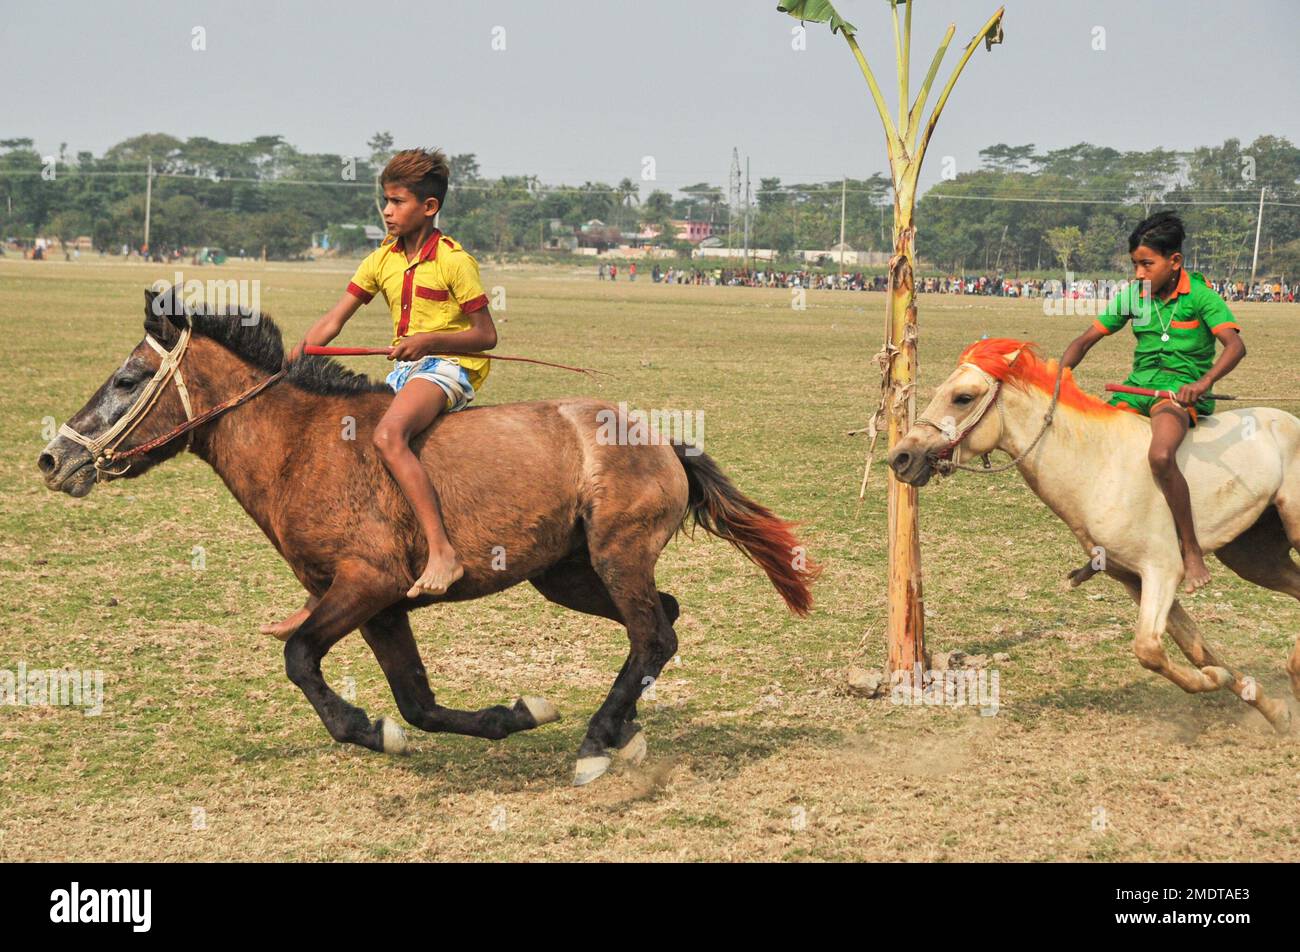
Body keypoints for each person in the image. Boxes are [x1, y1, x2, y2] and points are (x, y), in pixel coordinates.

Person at [263, 148, 497, 638]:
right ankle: (325, 594)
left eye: (396, 202)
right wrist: (291, 361)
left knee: (389, 436)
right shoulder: (380, 260)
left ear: (428, 207)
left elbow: (485, 335)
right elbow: (333, 320)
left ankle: (442, 552)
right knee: (347, 447)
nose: (387, 212)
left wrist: (429, 341)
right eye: (383, 202)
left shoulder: (455, 261)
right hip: (404, 373)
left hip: (449, 367)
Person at [1060, 211, 1244, 593]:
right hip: (1136, 390)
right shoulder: (1133, 297)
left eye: (1147, 264)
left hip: (1176, 394)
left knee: (1160, 456)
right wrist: (1058, 375)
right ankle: (1105, 548)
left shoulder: (1202, 298)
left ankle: (1190, 549)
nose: (1139, 274)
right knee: (1087, 448)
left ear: (1174, 261)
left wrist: (1204, 382)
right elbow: (1084, 341)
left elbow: (1235, 346)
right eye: (1135, 265)